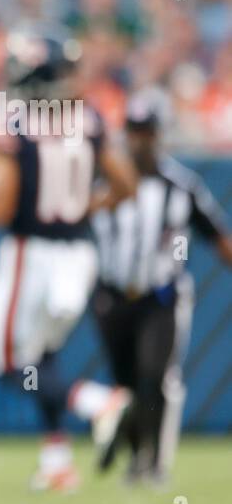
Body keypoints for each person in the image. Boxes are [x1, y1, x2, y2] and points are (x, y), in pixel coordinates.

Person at [0, 27, 138, 492]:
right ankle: (57, 460)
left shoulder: (11, 124)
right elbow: (125, 185)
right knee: (42, 358)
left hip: (32, 253)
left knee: (6, 363)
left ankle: (98, 402)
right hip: (79, 256)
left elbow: (0, 208)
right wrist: (87, 205)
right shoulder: (89, 120)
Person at [92, 90, 232, 483]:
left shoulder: (182, 186)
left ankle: (152, 463)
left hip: (162, 296)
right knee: (128, 383)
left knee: (155, 375)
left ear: (160, 134)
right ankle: (130, 446)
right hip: (113, 296)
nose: (140, 140)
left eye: (147, 131)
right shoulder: (103, 180)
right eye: (134, 130)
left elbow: (218, 238)